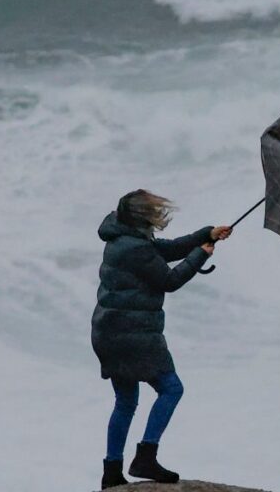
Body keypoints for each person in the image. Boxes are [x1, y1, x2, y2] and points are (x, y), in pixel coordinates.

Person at [91, 189, 232, 489]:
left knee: (126, 401)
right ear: (142, 218)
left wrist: (207, 234)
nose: (157, 219)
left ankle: (111, 471)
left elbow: (165, 250)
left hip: (109, 331)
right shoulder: (135, 248)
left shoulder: (123, 237)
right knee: (171, 388)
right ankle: (146, 456)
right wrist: (200, 254)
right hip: (132, 333)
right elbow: (169, 280)